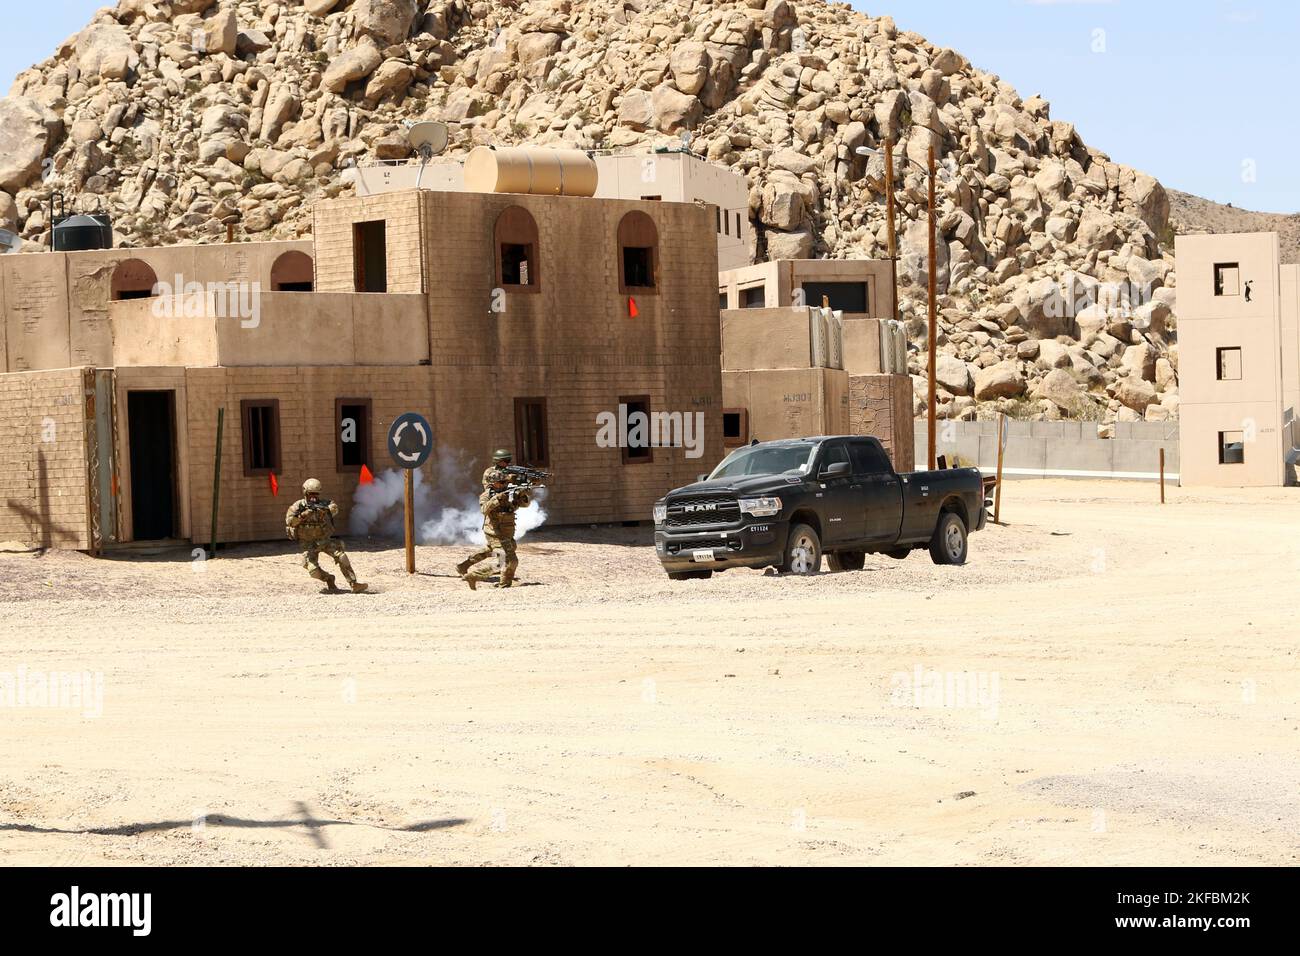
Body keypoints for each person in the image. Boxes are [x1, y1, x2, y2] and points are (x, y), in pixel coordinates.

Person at [455, 457, 530, 590]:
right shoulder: (487, 495)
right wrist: (497, 499)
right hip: (495, 531)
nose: (503, 485)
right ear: (493, 483)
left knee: (491, 551)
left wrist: (522, 494)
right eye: (500, 483)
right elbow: (484, 510)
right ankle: (494, 581)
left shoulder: (507, 492)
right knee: (509, 560)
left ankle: (464, 567)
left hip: (507, 531)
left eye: (504, 482)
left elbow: (523, 505)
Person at [285, 478, 367, 593]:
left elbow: (334, 508)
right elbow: (289, 521)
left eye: (316, 494)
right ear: (305, 492)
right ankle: (329, 579)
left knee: (341, 556)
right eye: (311, 494)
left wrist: (325, 510)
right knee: (313, 571)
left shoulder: (323, 503)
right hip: (308, 544)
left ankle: (353, 583)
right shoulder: (298, 506)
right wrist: (303, 515)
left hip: (323, 540)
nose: (313, 497)